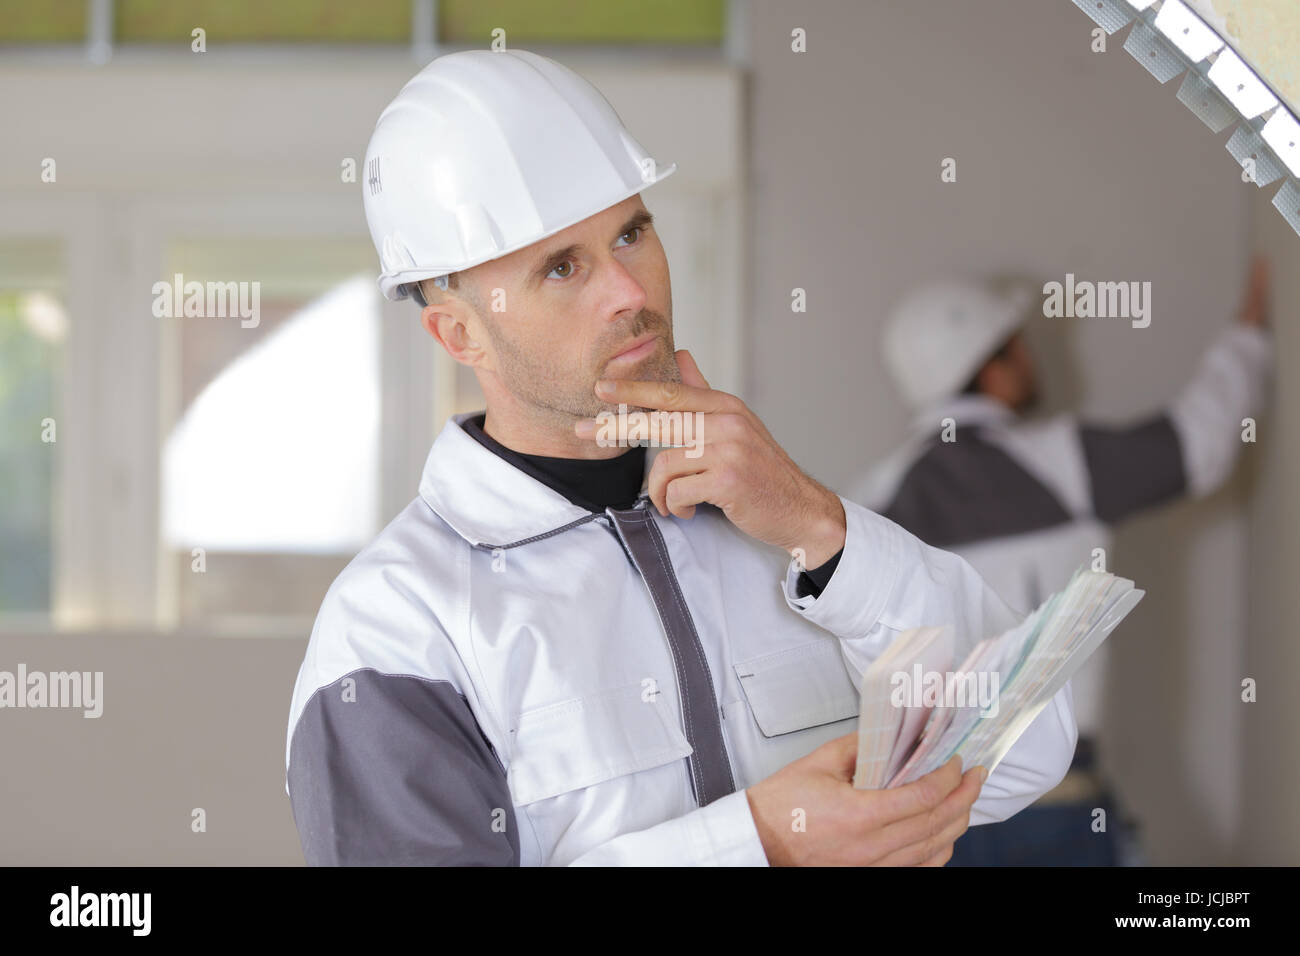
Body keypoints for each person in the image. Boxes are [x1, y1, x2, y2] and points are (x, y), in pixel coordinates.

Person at [283, 49, 1078, 866]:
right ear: (459, 333)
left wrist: (820, 525)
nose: (630, 293)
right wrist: (761, 844)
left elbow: (1025, 754)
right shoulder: (396, 625)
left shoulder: (778, 528)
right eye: (562, 267)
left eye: (631, 233)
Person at [850, 262, 1273, 865]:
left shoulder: (868, 505)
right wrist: (1249, 332)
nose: (1031, 359)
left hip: (930, 823)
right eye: (1019, 345)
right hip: (1058, 811)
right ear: (990, 367)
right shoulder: (1063, 462)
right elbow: (1202, 441)